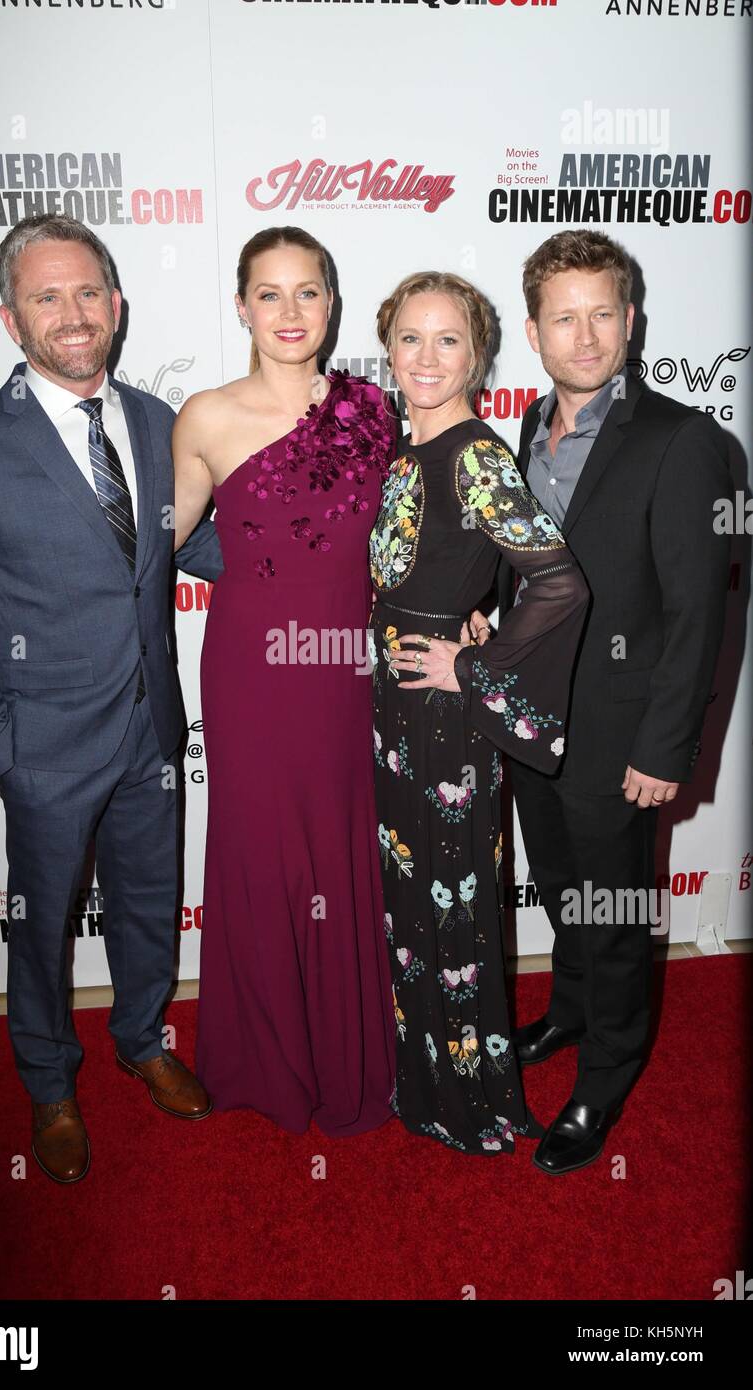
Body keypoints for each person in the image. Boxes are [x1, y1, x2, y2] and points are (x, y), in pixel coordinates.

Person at [0, 214, 223, 1184]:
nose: (72, 313)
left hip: (149, 730)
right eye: (47, 296)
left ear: (117, 304)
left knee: (145, 901)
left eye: (87, 291)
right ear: (11, 318)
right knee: (42, 926)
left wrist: (321, 549)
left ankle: (140, 1039)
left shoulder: (164, 424)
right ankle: (48, 1083)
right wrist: (2, 749)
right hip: (42, 743)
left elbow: (201, 549)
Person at [474, 229, 732, 1175]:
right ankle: (573, 1012)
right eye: (562, 318)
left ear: (631, 320)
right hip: (534, 729)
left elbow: (697, 614)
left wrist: (665, 751)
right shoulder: (522, 435)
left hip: (622, 735)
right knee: (566, 893)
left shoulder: (683, 439)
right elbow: (531, 583)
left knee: (617, 912)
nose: (585, 337)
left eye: (602, 314)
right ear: (535, 335)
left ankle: (608, 1075)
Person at [172, 226, 397, 1135]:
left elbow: (411, 537)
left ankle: (351, 1053)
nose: (291, 312)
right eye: (270, 293)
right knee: (263, 851)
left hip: (348, 664)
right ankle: (267, 1060)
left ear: (332, 306)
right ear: (241, 307)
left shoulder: (374, 410)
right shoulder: (207, 416)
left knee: (341, 845)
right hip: (253, 672)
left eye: (309, 292)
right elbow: (162, 541)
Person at [370, 271, 589, 1156]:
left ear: (479, 355)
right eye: (411, 338)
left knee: (449, 915)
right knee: (414, 909)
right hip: (396, 715)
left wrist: (477, 662)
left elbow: (561, 581)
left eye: (448, 339)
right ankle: (426, 1082)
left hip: (445, 721)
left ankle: (474, 1102)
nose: (427, 357)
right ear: (387, 349)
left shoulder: (473, 453)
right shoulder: (404, 451)